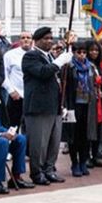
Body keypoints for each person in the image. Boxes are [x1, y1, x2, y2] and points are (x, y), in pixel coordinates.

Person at [23, 27, 71, 186]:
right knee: (39, 143)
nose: (49, 41)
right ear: (36, 40)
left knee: (54, 142)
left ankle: (49, 169)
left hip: (54, 105)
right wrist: (59, 61)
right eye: (46, 38)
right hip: (38, 107)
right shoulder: (30, 56)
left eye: (51, 38)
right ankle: (37, 172)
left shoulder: (49, 56)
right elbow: (43, 73)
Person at [62, 41, 101, 177]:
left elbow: (95, 82)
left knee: (87, 135)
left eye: (84, 52)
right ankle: (75, 163)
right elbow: (64, 87)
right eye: (79, 52)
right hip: (74, 104)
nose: (82, 55)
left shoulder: (90, 67)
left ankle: (83, 161)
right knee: (74, 136)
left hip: (88, 104)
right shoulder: (68, 67)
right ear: (73, 52)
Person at [86, 40, 102, 167]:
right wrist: (101, 80)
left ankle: (95, 155)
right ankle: (86, 157)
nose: (94, 52)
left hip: (101, 100)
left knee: (98, 129)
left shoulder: (101, 64)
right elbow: (89, 79)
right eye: (91, 50)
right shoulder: (86, 64)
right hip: (89, 101)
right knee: (89, 130)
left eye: (96, 50)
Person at [1, 30, 32, 129]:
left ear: (32, 40)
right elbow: (4, 75)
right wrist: (11, 91)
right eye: (23, 38)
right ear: (19, 40)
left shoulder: (37, 54)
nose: (26, 40)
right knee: (13, 125)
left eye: (28, 38)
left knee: (30, 126)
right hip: (16, 95)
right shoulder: (10, 55)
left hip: (32, 96)